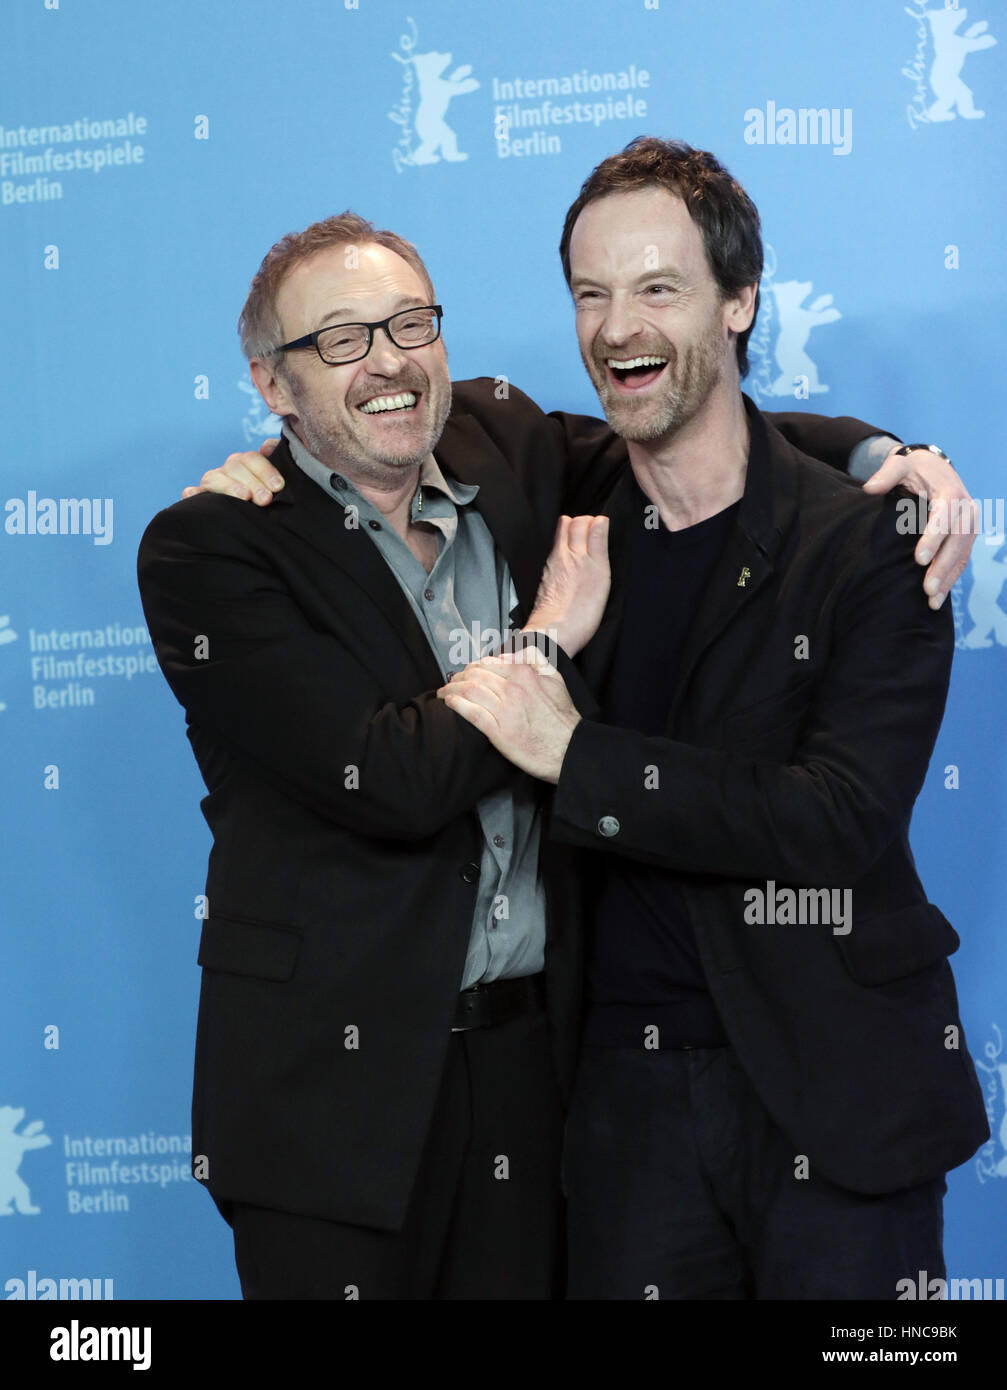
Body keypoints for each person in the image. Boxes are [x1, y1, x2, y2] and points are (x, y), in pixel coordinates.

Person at [157, 186, 973, 1300]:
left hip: (585, 1084)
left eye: (409, 325)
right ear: (272, 381)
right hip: (345, 1105)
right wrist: (543, 645)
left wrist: (890, 450)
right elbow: (394, 780)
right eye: (338, 340)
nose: (386, 362)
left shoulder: (511, 453)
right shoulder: (216, 547)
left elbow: (700, 419)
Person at [436, 138, 989, 1299]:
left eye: (656, 288)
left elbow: (832, 821)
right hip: (621, 1120)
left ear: (739, 300)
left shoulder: (868, 545)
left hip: (835, 1093)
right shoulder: (562, 501)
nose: (616, 327)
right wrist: (257, 481)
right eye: (590, 293)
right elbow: (364, 427)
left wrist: (572, 753)